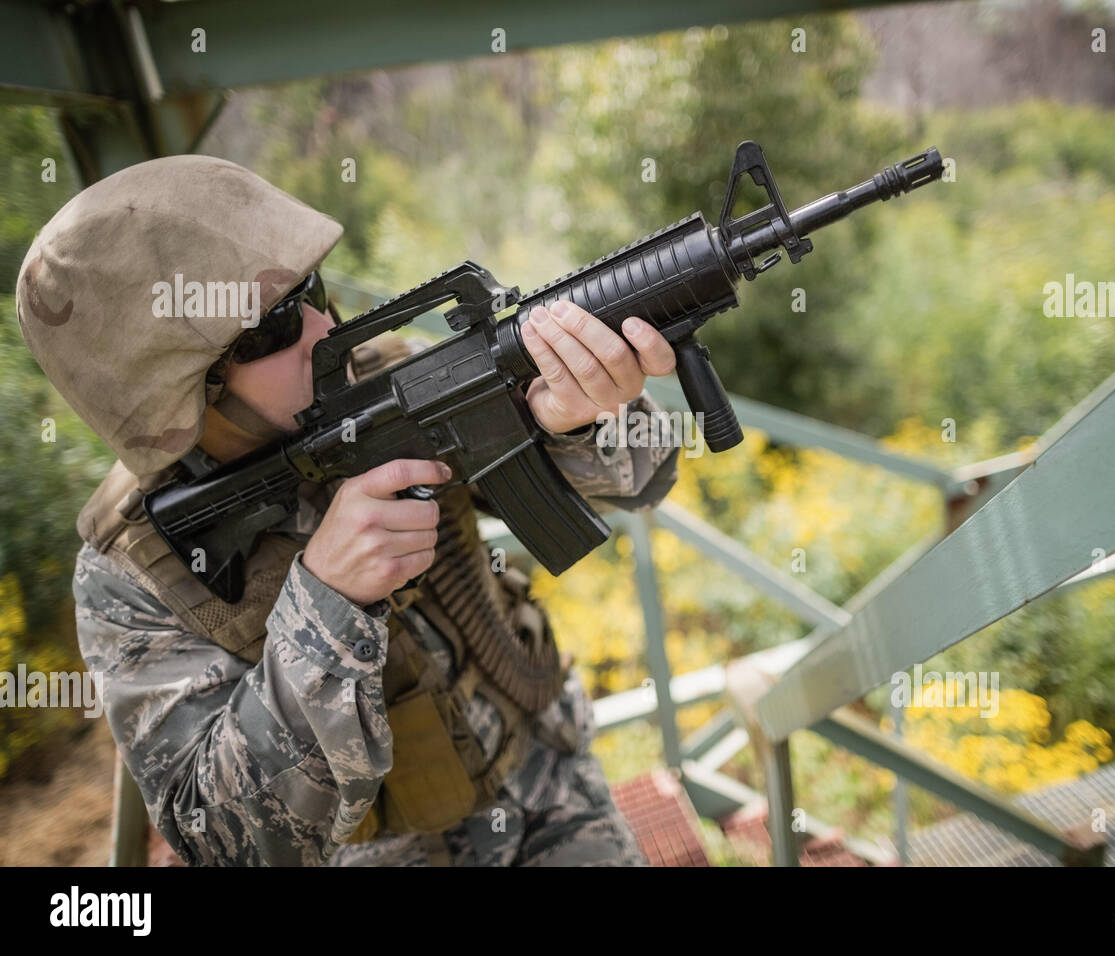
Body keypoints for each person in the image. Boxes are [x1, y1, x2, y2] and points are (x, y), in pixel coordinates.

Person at [15, 154, 682, 866]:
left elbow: (643, 482)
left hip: (546, 782)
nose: (319, 329)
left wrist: (577, 421)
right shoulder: (136, 568)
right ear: (178, 395)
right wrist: (326, 604)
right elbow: (225, 838)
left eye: (310, 289)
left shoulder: (382, 375)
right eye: (268, 330)